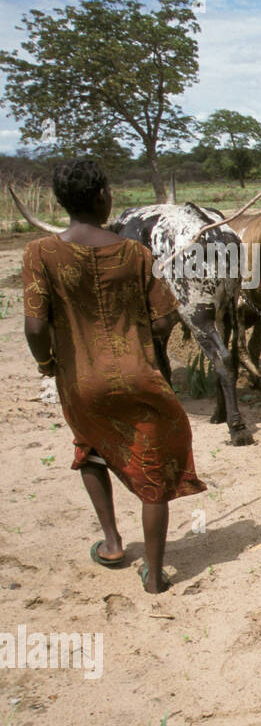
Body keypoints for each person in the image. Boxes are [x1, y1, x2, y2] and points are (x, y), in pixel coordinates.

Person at [22, 157, 206, 594]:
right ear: (105, 196)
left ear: (61, 201)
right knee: (154, 471)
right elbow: (166, 320)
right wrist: (138, 326)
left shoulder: (40, 253)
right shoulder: (135, 254)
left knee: (90, 449)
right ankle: (156, 575)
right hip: (139, 378)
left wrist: (48, 364)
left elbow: (34, 326)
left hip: (80, 381)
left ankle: (112, 543)